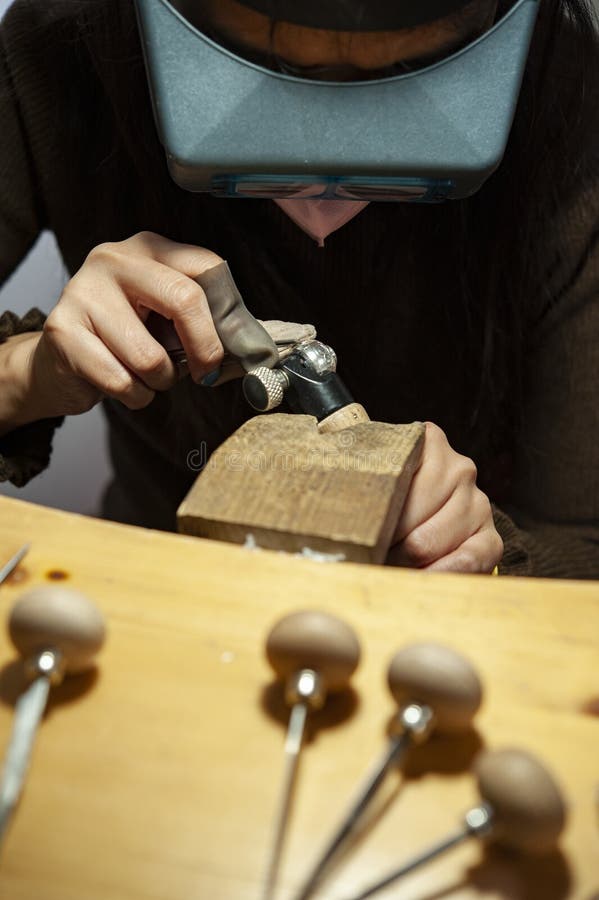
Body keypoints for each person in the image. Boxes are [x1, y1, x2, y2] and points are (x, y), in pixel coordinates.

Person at [0, 0, 597, 577]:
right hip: (159, 596)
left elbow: (582, 547)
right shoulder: (64, 40)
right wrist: (31, 375)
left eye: (406, 72)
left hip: (461, 629)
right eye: (283, 68)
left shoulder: (574, 91)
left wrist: (480, 554)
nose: (331, 145)